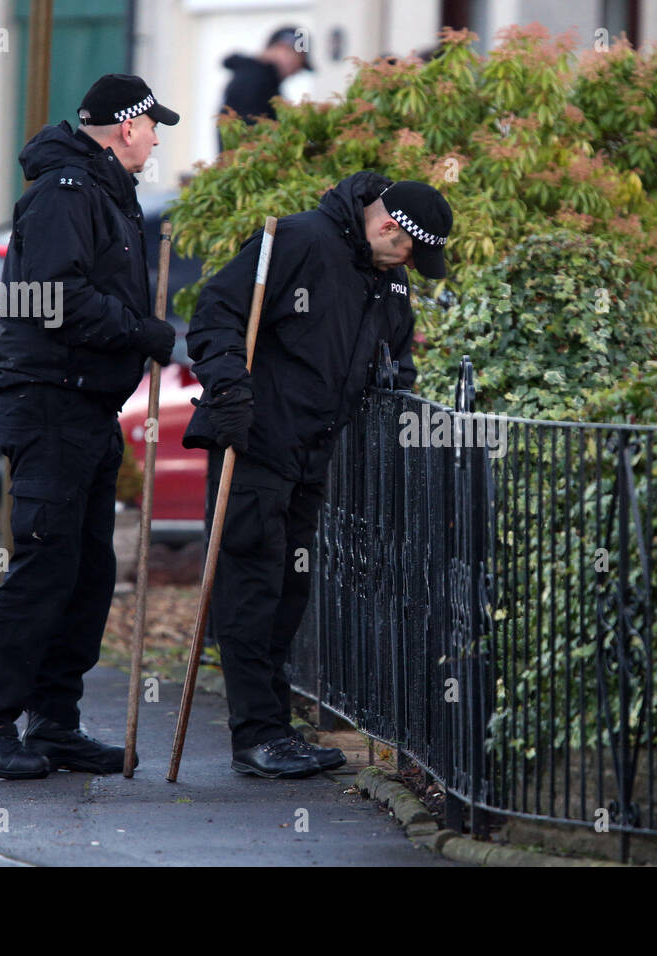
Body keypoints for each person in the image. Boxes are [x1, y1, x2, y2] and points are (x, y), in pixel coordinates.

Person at [182, 172, 453, 778]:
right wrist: (228, 386)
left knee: (287, 593)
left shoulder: (388, 281)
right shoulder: (300, 240)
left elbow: (396, 357)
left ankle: (273, 729)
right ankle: (256, 736)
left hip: (312, 457)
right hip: (256, 443)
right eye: (409, 250)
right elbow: (217, 311)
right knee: (250, 589)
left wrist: (393, 383)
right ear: (387, 227)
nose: (408, 264)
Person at [0, 75, 179, 779]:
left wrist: (137, 335)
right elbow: (51, 298)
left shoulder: (107, 192)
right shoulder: (65, 192)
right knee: (46, 562)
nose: (158, 138)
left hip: (86, 405)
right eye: (152, 125)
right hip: (48, 401)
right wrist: (140, 330)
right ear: (124, 127)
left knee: (86, 570)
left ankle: (54, 722)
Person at [217, 25, 313, 150]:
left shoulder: (261, 79)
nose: (296, 70)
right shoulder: (254, 80)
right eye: (298, 60)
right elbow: (249, 128)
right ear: (283, 50)